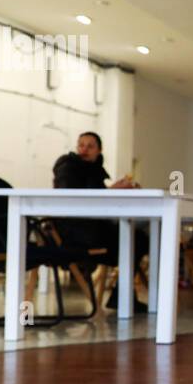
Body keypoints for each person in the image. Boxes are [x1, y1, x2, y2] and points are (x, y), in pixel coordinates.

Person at [51, 132, 148, 312]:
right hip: (76, 231)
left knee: (137, 237)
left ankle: (122, 296)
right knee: (137, 239)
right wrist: (113, 190)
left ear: (99, 150)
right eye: (81, 145)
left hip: (91, 227)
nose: (84, 149)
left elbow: (97, 201)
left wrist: (118, 191)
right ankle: (122, 297)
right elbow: (76, 197)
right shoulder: (68, 166)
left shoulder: (94, 170)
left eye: (90, 146)